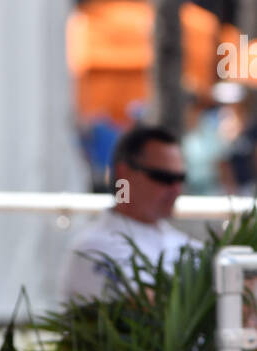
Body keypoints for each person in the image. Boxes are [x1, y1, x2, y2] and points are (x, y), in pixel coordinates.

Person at [60, 124, 202, 302]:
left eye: (181, 179)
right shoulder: (91, 248)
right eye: (163, 177)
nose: (176, 189)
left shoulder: (187, 245)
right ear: (124, 173)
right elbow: (140, 308)